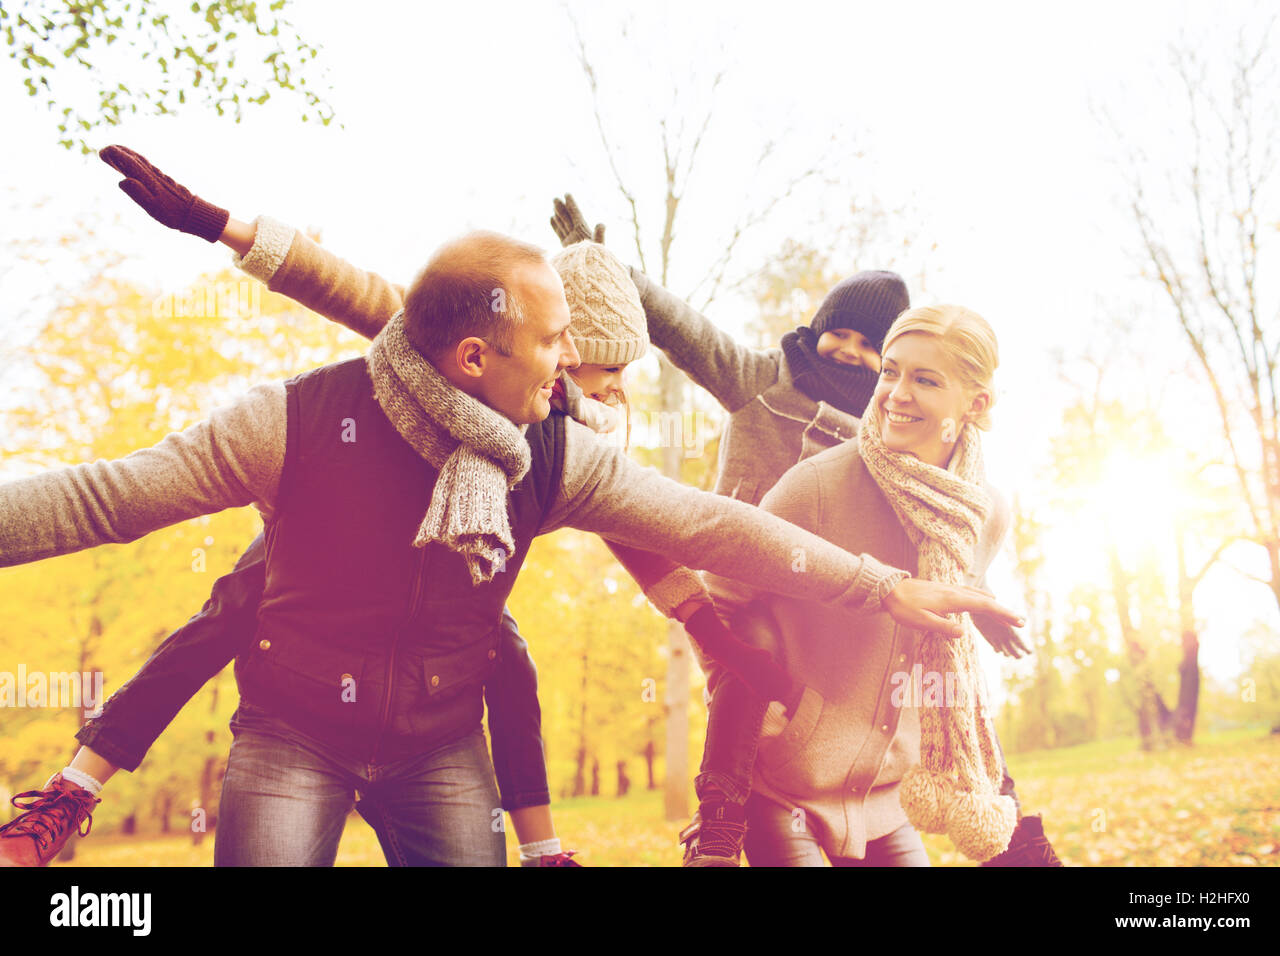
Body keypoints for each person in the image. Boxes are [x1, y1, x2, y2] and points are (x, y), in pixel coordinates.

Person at [0, 170, 1022, 867]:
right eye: (568, 347)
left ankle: (550, 838)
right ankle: (80, 781)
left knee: (509, 653)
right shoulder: (343, 392)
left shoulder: (559, 443)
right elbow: (112, 491)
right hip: (309, 650)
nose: (592, 377)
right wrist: (236, 230)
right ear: (478, 357)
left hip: (444, 673)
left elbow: (707, 527)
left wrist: (881, 586)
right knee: (239, 596)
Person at [549, 196, 1057, 867]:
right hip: (747, 580)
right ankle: (721, 817)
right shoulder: (766, 383)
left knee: (948, 674)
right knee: (747, 661)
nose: (848, 352)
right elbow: (685, 330)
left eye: (868, 348)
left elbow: (942, 549)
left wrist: (977, 597)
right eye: (835, 333)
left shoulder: (916, 462)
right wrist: (612, 273)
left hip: (840, 605)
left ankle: (1008, 832)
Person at [705, 303, 1054, 865]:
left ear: (977, 403)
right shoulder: (816, 486)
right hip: (784, 789)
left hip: (886, 799)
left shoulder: (985, 511)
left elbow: (949, 631)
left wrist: (983, 603)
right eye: (890, 371)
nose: (895, 393)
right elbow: (721, 594)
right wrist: (769, 711)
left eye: (924, 379)